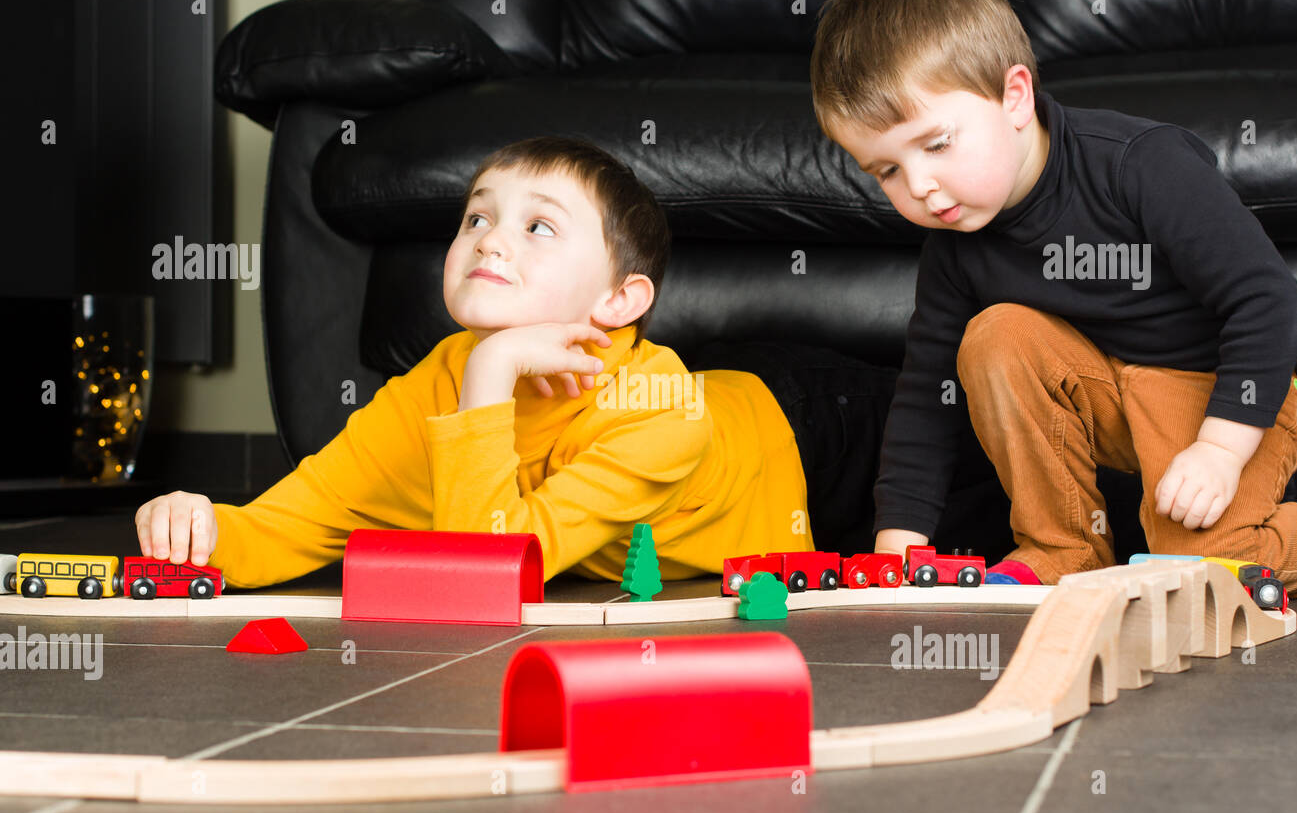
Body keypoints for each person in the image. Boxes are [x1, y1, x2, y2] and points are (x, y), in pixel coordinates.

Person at [135, 135, 891, 588]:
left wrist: (491, 372)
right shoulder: (439, 381)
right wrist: (199, 530)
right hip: (723, 388)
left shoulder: (659, 412)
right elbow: (295, 524)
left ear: (620, 300)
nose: (490, 239)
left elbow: (486, 569)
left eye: (537, 227)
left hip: (817, 432)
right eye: (477, 217)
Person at [810, 0, 1297, 588]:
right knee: (995, 336)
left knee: (1202, 576)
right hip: (1107, 397)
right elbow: (927, 397)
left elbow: (1266, 299)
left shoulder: (1140, 164)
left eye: (935, 145)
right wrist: (896, 549)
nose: (921, 187)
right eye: (886, 172)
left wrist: (1221, 450)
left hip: (1221, 400)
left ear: (1014, 96)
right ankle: (1061, 547)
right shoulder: (954, 243)